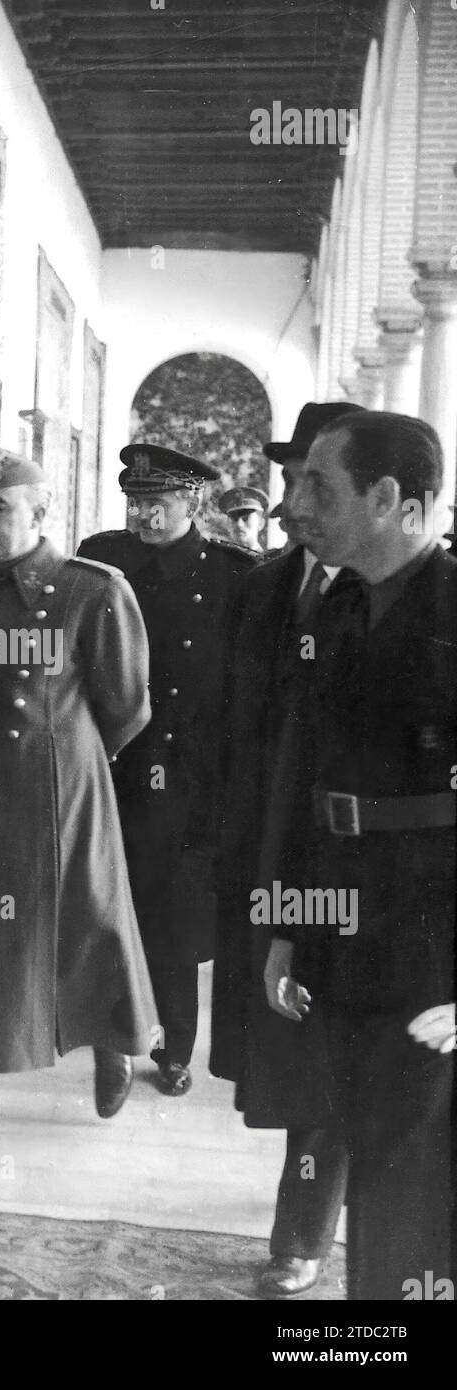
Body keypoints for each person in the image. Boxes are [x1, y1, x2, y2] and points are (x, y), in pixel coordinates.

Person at [0, 449, 159, 1159]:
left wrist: (64, 757)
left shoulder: (90, 591)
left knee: (86, 920)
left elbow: (127, 707)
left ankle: (109, 1039)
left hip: (56, 789)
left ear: (40, 517)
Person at [265, 409, 455, 1301]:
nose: (295, 504)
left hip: (431, 942)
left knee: (414, 1179)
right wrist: (287, 931)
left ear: (388, 499)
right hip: (341, 926)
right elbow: (314, 789)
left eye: (318, 487)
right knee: (365, 1151)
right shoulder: (337, 608)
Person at [210, 401, 366, 1298]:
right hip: (263, 847)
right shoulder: (264, 585)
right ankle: (307, 1201)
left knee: (321, 1038)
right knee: (276, 1039)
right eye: (291, 476)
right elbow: (227, 724)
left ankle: (299, 1235)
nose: (295, 497)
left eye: (316, 479)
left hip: (344, 857)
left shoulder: (389, 596)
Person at [78, 444, 259, 1096]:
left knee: (174, 920)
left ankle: (173, 1048)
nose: (144, 516)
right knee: (105, 904)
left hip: (189, 773)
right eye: (136, 502)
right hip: (110, 761)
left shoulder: (234, 574)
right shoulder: (103, 557)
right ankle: (112, 1036)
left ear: (192, 502)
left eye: (156, 503)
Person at [218, 486, 269, 553]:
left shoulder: (271, 562)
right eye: (234, 519)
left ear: (260, 524)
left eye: (246, 518)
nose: (239, 524)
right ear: (228, 524)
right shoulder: (219, 561)